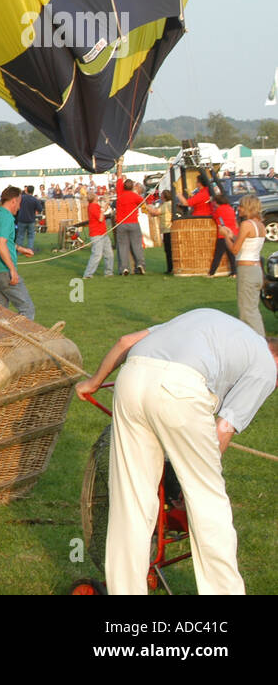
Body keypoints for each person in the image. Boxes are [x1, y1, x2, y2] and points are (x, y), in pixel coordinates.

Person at [75, 310, 277, 594]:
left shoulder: (213, 319)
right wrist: (191, 476)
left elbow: (125, 342)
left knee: (130, 500)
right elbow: (224, 427)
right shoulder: (267, 367)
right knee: (208, 502)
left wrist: (94, 382)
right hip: (181, 390)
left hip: (131, 378)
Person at [0, 186, 35, 319]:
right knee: (27, 309)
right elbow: (1, 245)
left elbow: (4, 241)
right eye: (19, 203)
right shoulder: (7, 218)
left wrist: (21, 249)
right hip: (5, 272)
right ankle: (23, 333)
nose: (19, 208)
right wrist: (12, 270)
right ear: (14, 201)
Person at [222, 195, 266, 336]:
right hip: (256, 270)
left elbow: (235, 250)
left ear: (248, 207)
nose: (239, 209)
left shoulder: (246, 224)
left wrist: (225, 237)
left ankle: (259, 342)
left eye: (241, 206)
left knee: (247, 312)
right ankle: (259, 340)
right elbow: (247, 243)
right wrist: (231, 235)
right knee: (253, 310)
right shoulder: (260, 225)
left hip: (246, 271)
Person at [113, 178, 146, 275]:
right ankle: (140, 265)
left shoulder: (120, 194)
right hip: (133, 223)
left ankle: (124, 268)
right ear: (132, 187)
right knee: (137, 246)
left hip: (121, 224)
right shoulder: (135, 196)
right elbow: (143, 204)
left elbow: (119, 177)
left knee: (122, 247)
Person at [80, 191, 114, 278]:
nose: (98, 196)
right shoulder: (92, 206)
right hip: (97, 234)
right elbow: (100, 218)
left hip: (103, 233)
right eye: (96, 196)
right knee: (97, 255)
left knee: (109, 254)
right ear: (94, 198)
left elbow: (103, 210)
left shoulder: (96, 205)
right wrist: (103, 208)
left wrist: (107, 202)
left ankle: (109, 273)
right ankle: (88, 274)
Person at [208, 191, 238, 277]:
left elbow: (213, 215)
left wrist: (211, 204)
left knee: (218, 255)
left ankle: (211, 273)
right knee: (231, 255)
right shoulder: (230, 208)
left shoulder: (219, 209)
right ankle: (234, 272)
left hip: (223, 234)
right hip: (232, 233)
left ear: (216, 202)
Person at [16, 185, 43, 251]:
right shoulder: (35, 199)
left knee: (20, 236)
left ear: (26, 190)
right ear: (33, 191)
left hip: (21, 219)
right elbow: (40, 209)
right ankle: (29, 250)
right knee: (31, 236)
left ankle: (18, 250)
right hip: (31, 220)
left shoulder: (21, 198)